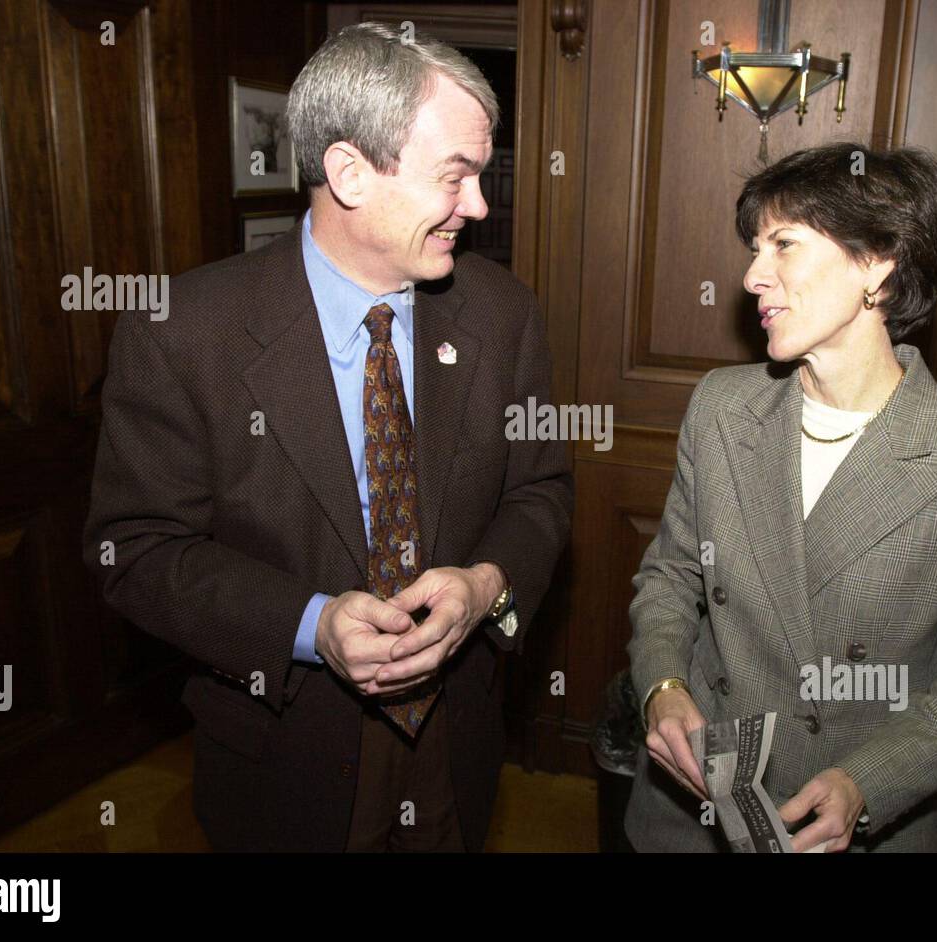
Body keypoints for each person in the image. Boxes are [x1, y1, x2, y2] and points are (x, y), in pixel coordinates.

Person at [83, 23, 573, 852]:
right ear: (348, 172)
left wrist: (486, 583)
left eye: (481, 177)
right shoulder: (183, 331)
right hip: (281, 759)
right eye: (454, 177)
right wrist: (310, 624)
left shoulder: (502, 312)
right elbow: (134, 551)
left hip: (457, 750)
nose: (480, 207)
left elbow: (542, 491)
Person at [624, 143, 937, 853]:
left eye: (783, 244)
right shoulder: (722, 407)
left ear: (878, 259)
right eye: (754, 248)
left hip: (853, 829)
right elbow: (671, 577)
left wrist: (865, 783)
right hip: (688, 812)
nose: (753, 275)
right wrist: (663, 685)